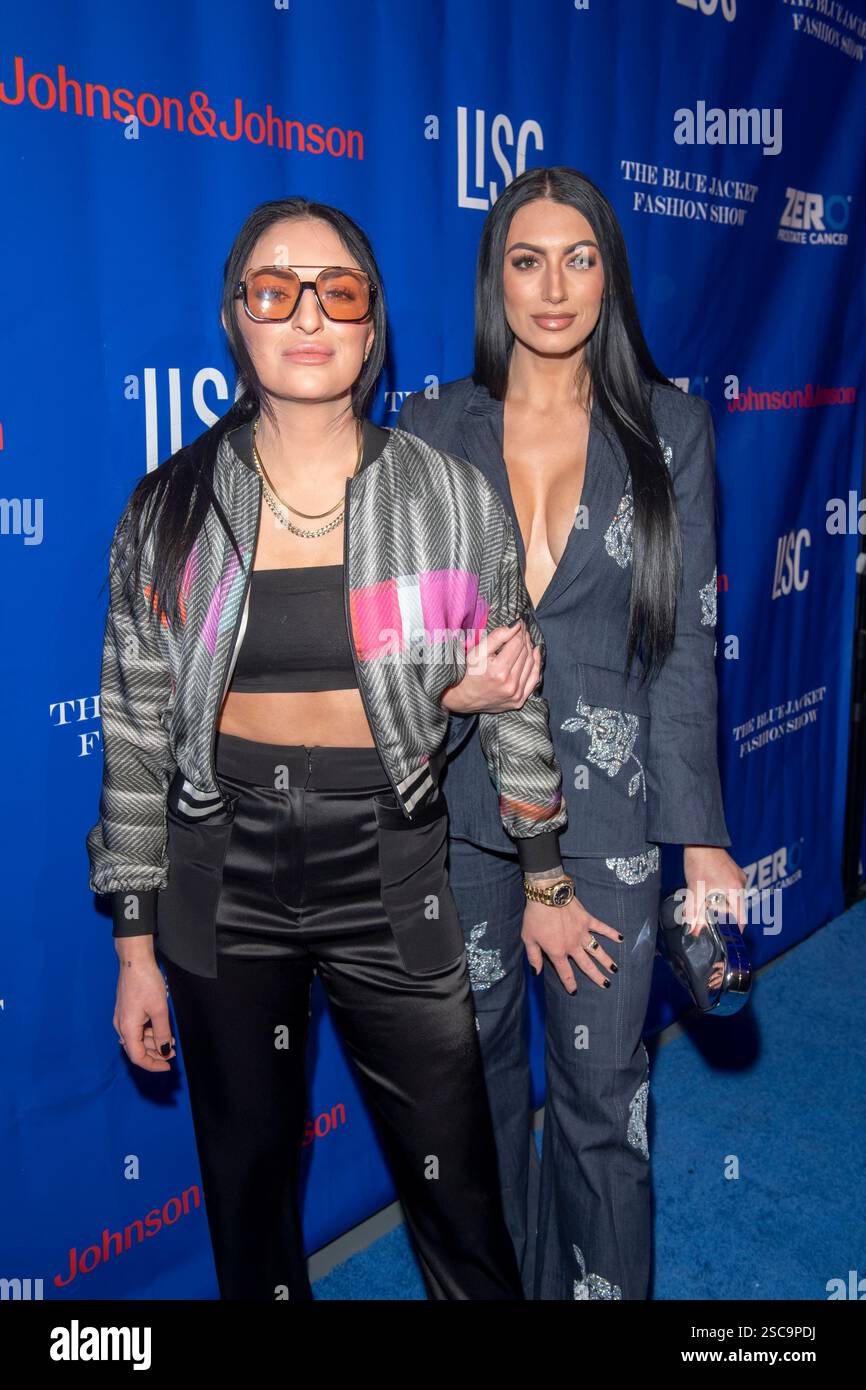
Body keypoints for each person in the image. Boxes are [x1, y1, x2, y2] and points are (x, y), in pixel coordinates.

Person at [86, 196, 576, 1301]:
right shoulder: (165, 513)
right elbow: (135, 736)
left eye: (337, 290)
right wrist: (132, 951)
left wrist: (544, 873)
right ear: (236, 320)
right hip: (223, 872)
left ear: (371, 325)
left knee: (455, 1194)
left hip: (388, 864)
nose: (306, 312)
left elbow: (512, 710)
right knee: (248, 1192)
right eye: (274, 288)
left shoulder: (450, 501)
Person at [396, 165, 748, 1301]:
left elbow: (686, 639)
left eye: (579, 258)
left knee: (604, 1102)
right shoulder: (432, 423)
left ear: (610, 275)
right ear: (495, 279)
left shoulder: (671, 427)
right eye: (527, 260)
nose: (554, 287)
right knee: (477, 1097)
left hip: (610, 817)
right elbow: (399, 634)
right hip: (452, 811)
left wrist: (698, 838)